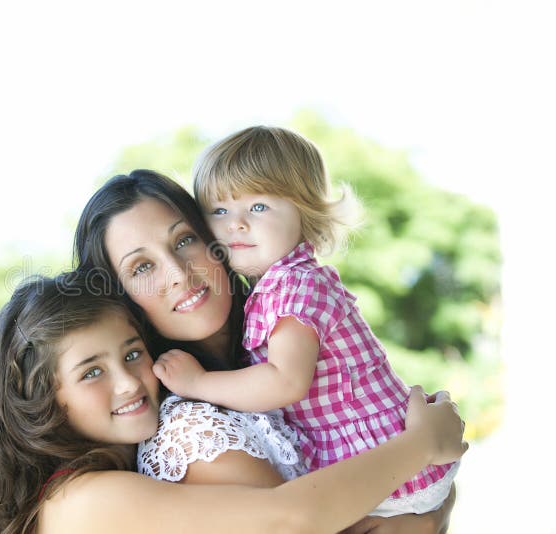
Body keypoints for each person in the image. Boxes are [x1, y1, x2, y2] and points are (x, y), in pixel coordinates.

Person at [73, 169, 463, 531]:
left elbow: (407, 478)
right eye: (142, 267)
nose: (178, 273)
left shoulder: (282, 335)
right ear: (120, 299)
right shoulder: (190, 430)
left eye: (184, 240)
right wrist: (422, 459)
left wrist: (435, 508)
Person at [0, 271, 467, 534]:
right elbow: (289, 520)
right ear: (43, 401)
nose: (127, 383)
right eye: (91, 372)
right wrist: (420, 446)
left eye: (133, 353)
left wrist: (428, 515)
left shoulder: (101, 484)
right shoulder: (82, 500)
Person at [148, 126, 457, 517]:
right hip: (391, 456)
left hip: (383, 457)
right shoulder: (270, 289)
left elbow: (285, 380)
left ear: (304, 211)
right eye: (219, 211)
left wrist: (198, 383)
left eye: (258, 207)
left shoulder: (295, 284)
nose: (236, 224)